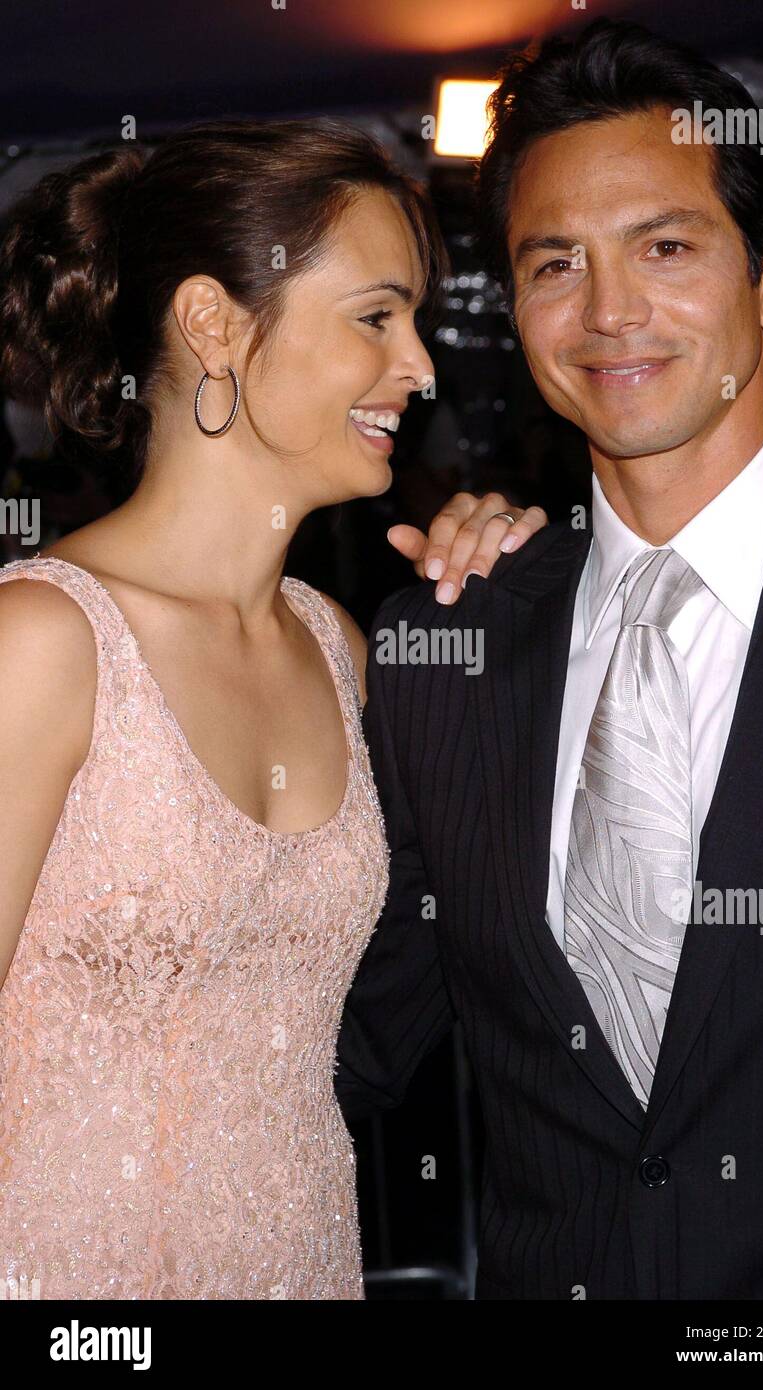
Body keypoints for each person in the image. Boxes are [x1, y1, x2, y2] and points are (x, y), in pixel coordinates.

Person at [335, 19, 763, 1299]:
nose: (610, 311)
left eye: (666, 248)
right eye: (554, 262)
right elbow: (342, 1048)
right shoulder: (441, 642)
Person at [0, 118, 546, 1300]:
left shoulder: (339, 647)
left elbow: (452, 966)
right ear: (213, 324)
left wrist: (519, 625)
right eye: (375, 317)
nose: (422, 366)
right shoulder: (41, 643)